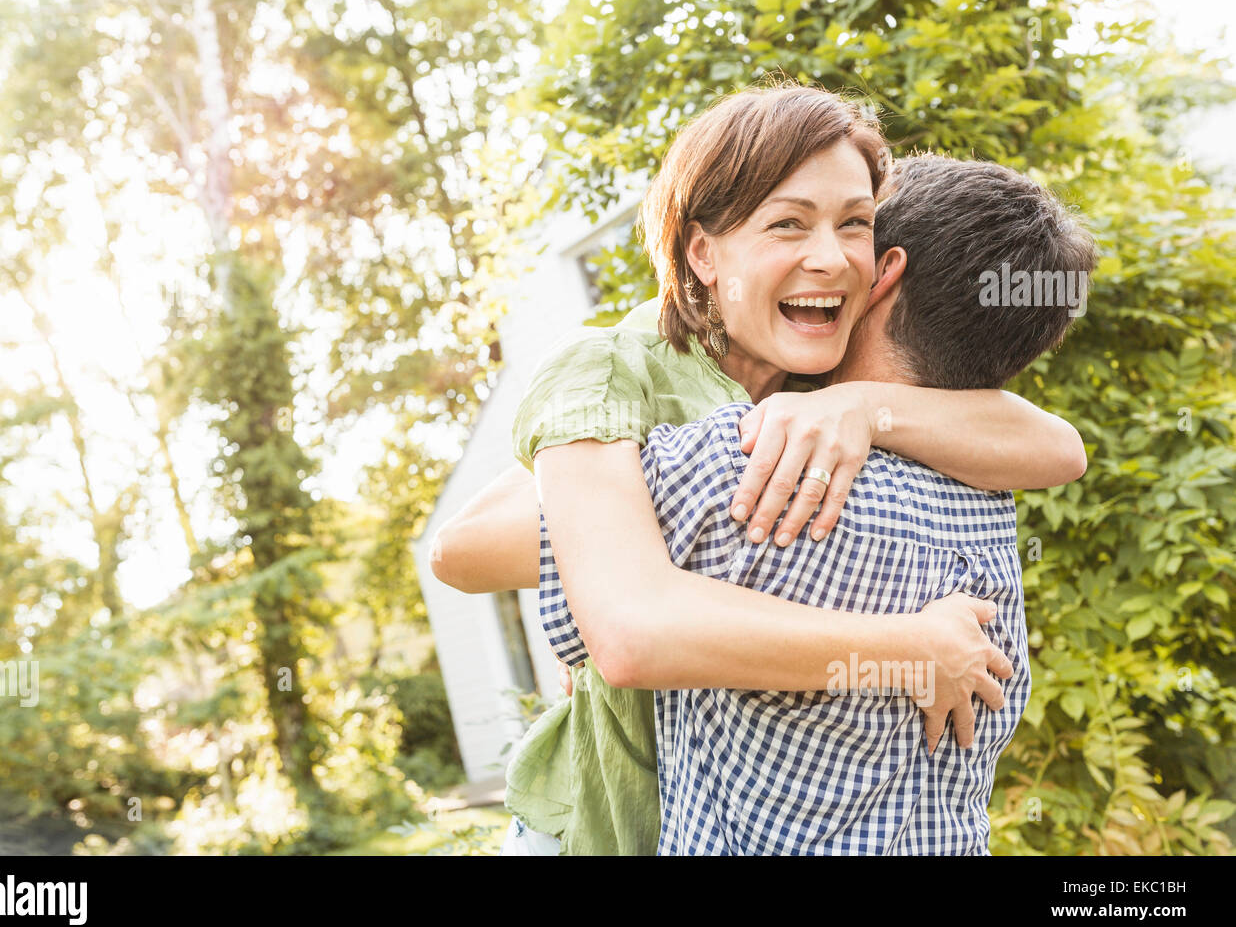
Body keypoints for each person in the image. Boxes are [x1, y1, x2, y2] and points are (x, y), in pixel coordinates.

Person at [430, 82, 1087, 855]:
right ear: (703, 253)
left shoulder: (829, 364)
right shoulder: (630, 365)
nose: (829, 255)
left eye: (855, 223)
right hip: (596, 822)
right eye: (788, 223)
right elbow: (481, 559)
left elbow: (1057, 448)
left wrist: (860, 407)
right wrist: (907, 648)